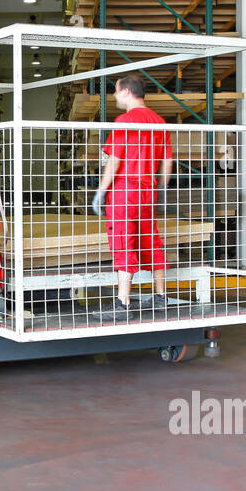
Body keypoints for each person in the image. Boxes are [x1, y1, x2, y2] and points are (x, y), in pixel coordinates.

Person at [91, 73, 173, 319]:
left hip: (123, 191)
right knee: (150, 239)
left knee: (123, 241)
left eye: (116, 91)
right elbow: (167, 161)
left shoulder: (124, 121)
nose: (114, 95)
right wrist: (161, 188)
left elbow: (114, 162)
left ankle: (123, 304)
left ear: (126, 91)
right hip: (148, 191)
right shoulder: (160, 122)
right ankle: (160, 297)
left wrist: (101, 191)